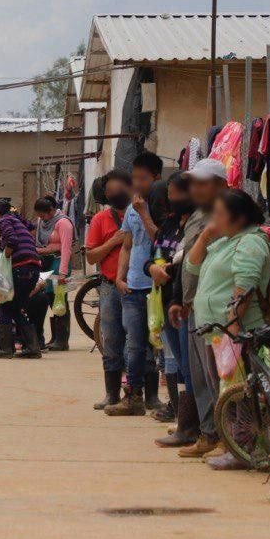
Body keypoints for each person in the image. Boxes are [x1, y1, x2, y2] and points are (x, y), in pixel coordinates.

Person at [184, 187, 270, 471]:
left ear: (238, 217)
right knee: (226, 391)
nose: (215, 219)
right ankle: (234, 445)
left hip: (239, 331)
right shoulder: (225, 241)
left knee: (239, 392)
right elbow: (192, 265)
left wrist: (234, 328)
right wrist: (207, 234)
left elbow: (244, 286)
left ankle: (242, 450)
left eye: (220, 215)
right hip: (218, 332)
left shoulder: (250, 242)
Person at [172, 158, 229, 457]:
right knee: (201, 375)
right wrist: (179, 299)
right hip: (195, 303)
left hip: (217, 305)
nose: (194, 188)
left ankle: (227, 437)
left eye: (202, 183)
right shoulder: (199, 214)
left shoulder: (230, 212)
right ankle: (208, 433)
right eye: (192, 183)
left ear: (221, 184)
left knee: (219, 374)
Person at [106, 154, 166, 416]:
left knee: (156, 343)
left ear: (157, 178)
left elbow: (160, 240)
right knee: (134, 343)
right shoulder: (131, 209)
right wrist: (120, 277)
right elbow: (126, 246)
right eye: (135, 178)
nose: (138, 184)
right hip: (132, 286)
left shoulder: (161, 205)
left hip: (156, 286)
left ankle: (154, 397)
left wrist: (144, 212)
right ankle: (133, 396)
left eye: (144, 178)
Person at [145, 175, 192, 429]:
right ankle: (184, 421)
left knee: (187, 365)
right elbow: (153, 257)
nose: (173, 199)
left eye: (177, 193)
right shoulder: (169, 226)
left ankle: (190, 424)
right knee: (175, 360)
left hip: (184, 302)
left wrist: (167, 272)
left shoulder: (195, 225)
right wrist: (153, 268)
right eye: (169, 194)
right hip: (166, 303)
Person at [84, 170, 131, 409]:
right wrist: (113, 241)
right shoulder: (100, 220)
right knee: (111, 339)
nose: (113, 194)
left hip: (138, 288)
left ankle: (139, 394)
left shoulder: (140, 214)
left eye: (118, 190)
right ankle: (112, 394)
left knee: (137, 341)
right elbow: (91, 256)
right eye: (109, 191)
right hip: (110, 287)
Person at [0, 200, 42, 359]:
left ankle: (5, 349)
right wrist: (16, 214)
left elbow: (12, 240)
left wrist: (5, 257)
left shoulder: (4, 220)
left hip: (21, 268)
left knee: (4, 305)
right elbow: (31, 226)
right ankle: (33, 347)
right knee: (16, 308)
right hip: (34, 267)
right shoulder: (15, 219)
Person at [33, 195, 74, 351]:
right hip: (45, 261)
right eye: (39, 216)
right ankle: (55, 337)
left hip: (59, 262)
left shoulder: (63, 223)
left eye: (43, 215)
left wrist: (63, 273)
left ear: (51, 210)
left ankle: (62, 340)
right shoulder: (41, 221)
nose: (41, 219)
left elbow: (66, 249)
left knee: (59, 298)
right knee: (49, 297)